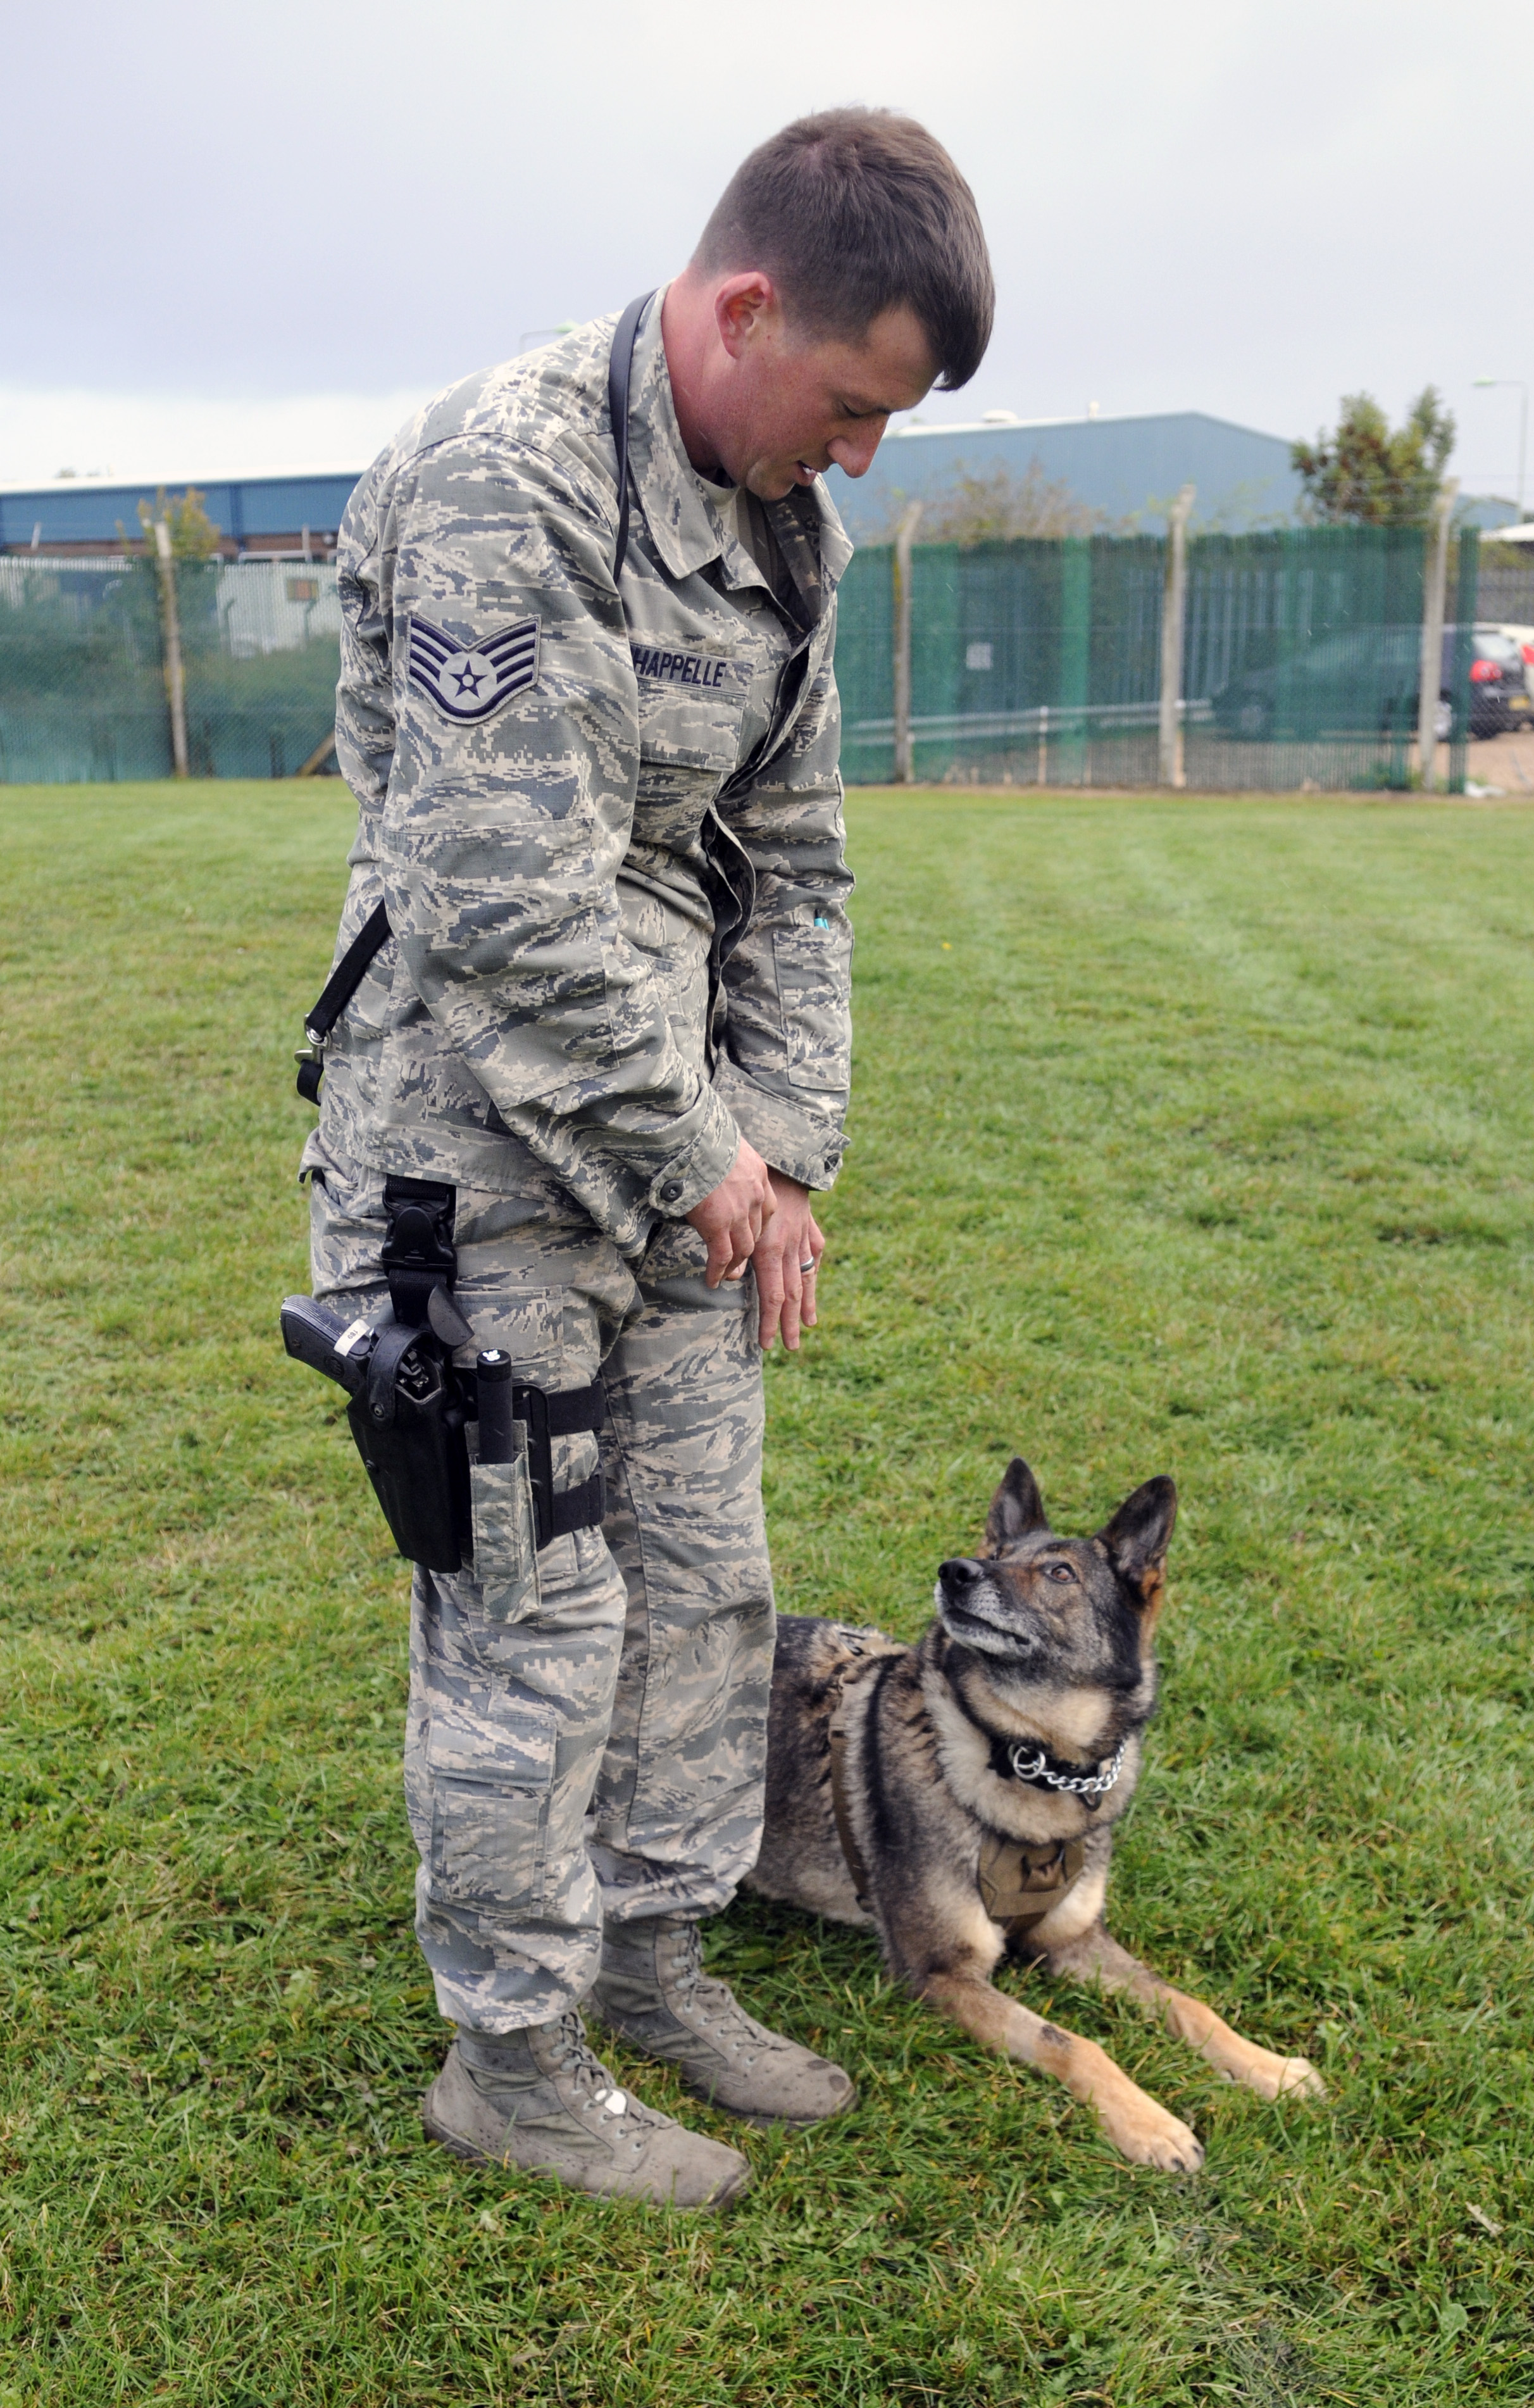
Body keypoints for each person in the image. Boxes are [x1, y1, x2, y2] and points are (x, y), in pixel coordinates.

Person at [301, 107, 992, 2210]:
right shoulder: (503, 479)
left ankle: (654, 1953)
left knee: (703, 1577)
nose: (862, 454)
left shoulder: (791, 528)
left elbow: (798, 858)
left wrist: (779, 1148)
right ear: (745, 306)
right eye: (853, 403)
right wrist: (702, 1152)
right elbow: (502, 899)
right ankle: (512, 2051)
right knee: (535, 1607)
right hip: (479, 1150)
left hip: (689, 1156)